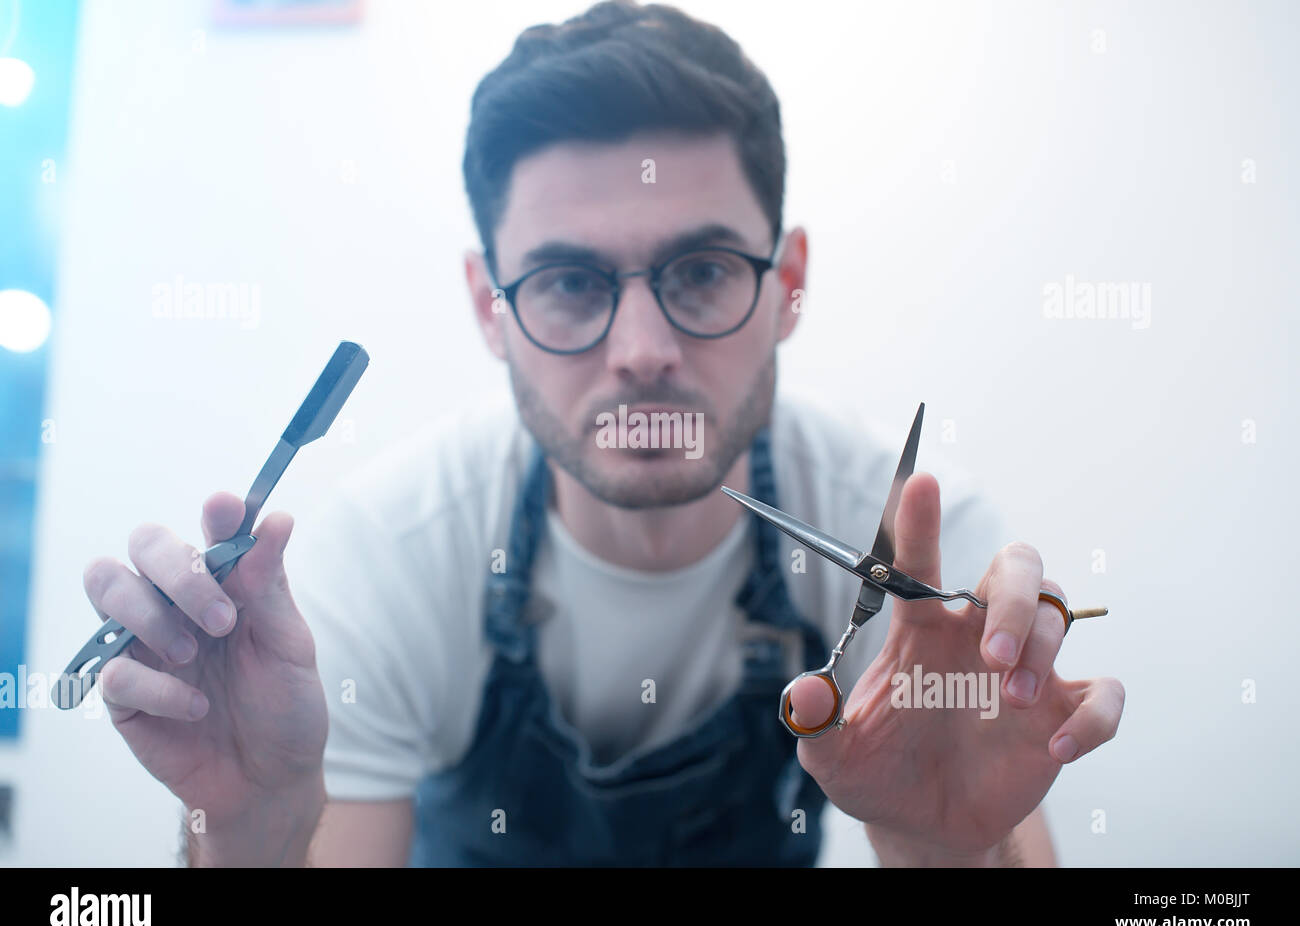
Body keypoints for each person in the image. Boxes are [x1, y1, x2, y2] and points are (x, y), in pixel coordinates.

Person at [82, 0, 1124, 867]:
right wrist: (253, 827)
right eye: (571, 282)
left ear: (788, 282)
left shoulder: (908, 548)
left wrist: (941, 850)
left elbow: (973, 827)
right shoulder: (390, 556)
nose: (640, 350)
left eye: (703, 271)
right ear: (490, 310)